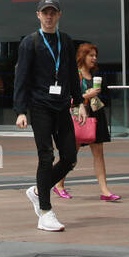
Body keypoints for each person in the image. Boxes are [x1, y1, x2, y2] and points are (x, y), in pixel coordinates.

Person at [14, 0, 85, 232]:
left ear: (59, 15)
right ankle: (45, 211)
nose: (49, 17)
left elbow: (72, 74)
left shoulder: (65, 40)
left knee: (69, 157)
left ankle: (37, 191)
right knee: (45, 156)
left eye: (52, 13)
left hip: (62, 105)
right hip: (40, 106)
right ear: (38, 15)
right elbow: (21, 78)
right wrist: (21, 111)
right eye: (45, 13)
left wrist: (80, 102)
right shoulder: (30, 42)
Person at [54, 43, 120, 201]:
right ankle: (59, 184)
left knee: (99, 154)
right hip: (80, 116)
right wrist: (87, 96)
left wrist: (95, 94)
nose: (94, 58)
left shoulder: (95, 75)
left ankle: (105, 191)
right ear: (83, 56)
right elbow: (70, 98)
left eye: (95, 55)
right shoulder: (76, 75)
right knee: (71, 154)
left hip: (96, 115)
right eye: (91, 55)